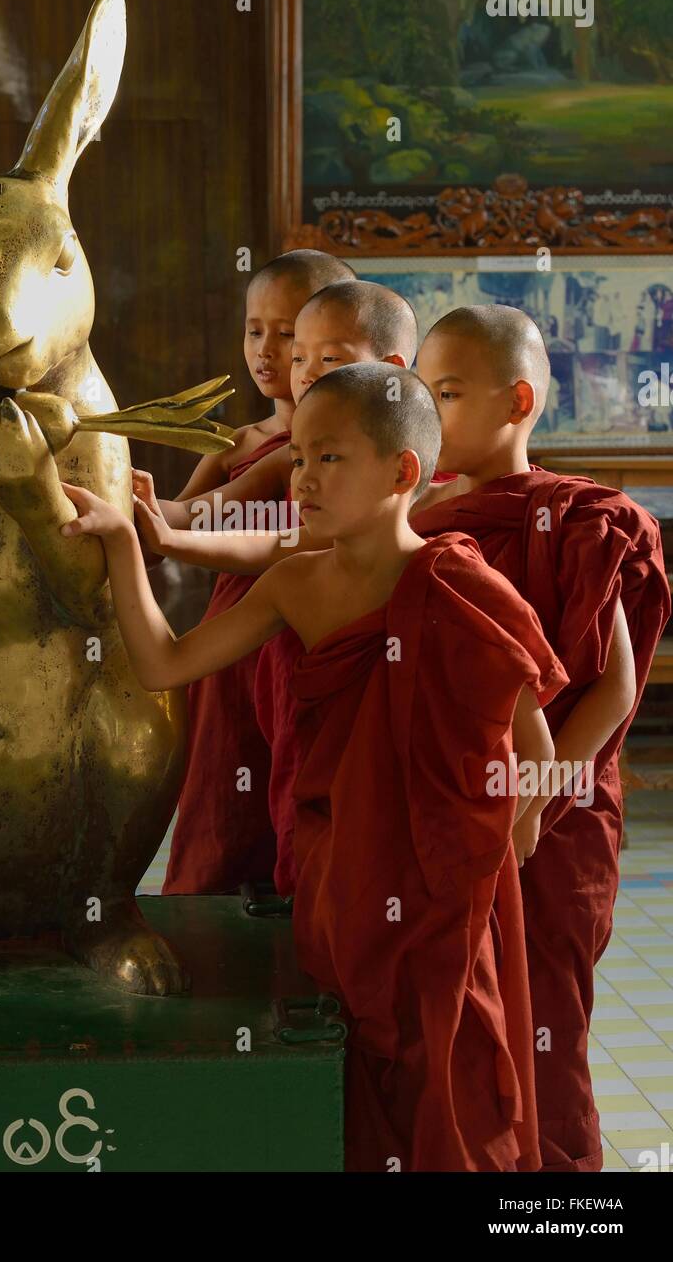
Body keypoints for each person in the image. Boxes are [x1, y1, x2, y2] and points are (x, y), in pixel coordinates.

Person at [60, 363, 568, 1171]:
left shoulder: (461, 584)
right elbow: (164, 663)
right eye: (298, 458)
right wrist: (126, 542)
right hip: (342, 878)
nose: (302, 478)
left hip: (449, 886)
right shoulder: (296, 582)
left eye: (329, 459)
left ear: (403, 472)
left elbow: (537, 750)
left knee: (450, 1076)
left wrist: (491, 853)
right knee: (358, 1066)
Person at [412, 303, 671, 1173]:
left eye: (445, 393)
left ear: (517, 399)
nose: (427, 410)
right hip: (451, 817)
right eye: (420, 391)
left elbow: (615, 686)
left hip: (556, 820)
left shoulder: (580, 519)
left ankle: (562, 1197)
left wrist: (537, 796)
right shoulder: (420, 516)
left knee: (547, 1020)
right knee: (459, 1021)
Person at [135, 279, 418, 895]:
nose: (293, 366)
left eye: (314, 349)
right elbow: (212, 522)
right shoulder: (270, 455)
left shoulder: (419, 477)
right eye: (295, 355)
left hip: (350, 665)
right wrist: (129, 507)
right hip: (249, 653)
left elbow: (286, 544)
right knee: (242, 821)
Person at [155, 248, 355, 895]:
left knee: (299, 809)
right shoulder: (237, 444)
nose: (269, 351)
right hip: (232, 656)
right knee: (226, 810)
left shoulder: (308, 458)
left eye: (292, 335)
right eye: (255, 329)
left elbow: (188, 525)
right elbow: (169, 530)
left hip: (304, 641)